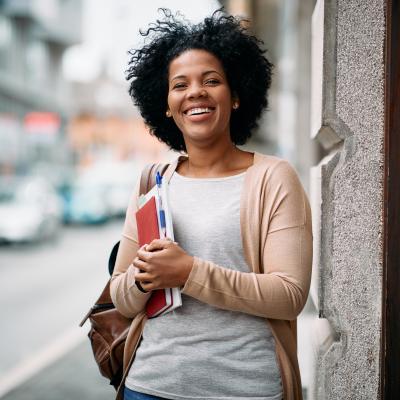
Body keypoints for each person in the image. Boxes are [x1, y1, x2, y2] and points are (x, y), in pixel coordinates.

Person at [110, 8, 312, 400]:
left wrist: (187, 272)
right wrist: (143, 277)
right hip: (149, 386)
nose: (195, 93)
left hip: (246, 389)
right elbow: (120, 295)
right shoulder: (153, 182)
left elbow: (289, 295)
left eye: (212, 81)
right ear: (167, 105)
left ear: (236, 95)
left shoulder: (273, 178)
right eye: (179, 85)